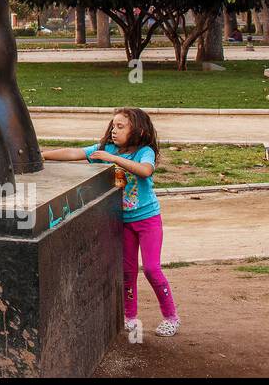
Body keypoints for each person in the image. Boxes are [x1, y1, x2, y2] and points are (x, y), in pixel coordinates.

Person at [42, 107, 179, 337]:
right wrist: (42, 155)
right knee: (127, 271)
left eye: (121, 126)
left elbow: (145, 171)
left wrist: (113, 159)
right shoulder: (105, 149)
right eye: (113, 126)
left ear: (139, 130)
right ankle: (130, 317)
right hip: (122, 222)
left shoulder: (144, 151)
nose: (114, 131)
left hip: (147, 220)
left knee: (152, 269)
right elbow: (74, 153)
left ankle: (171, 317)